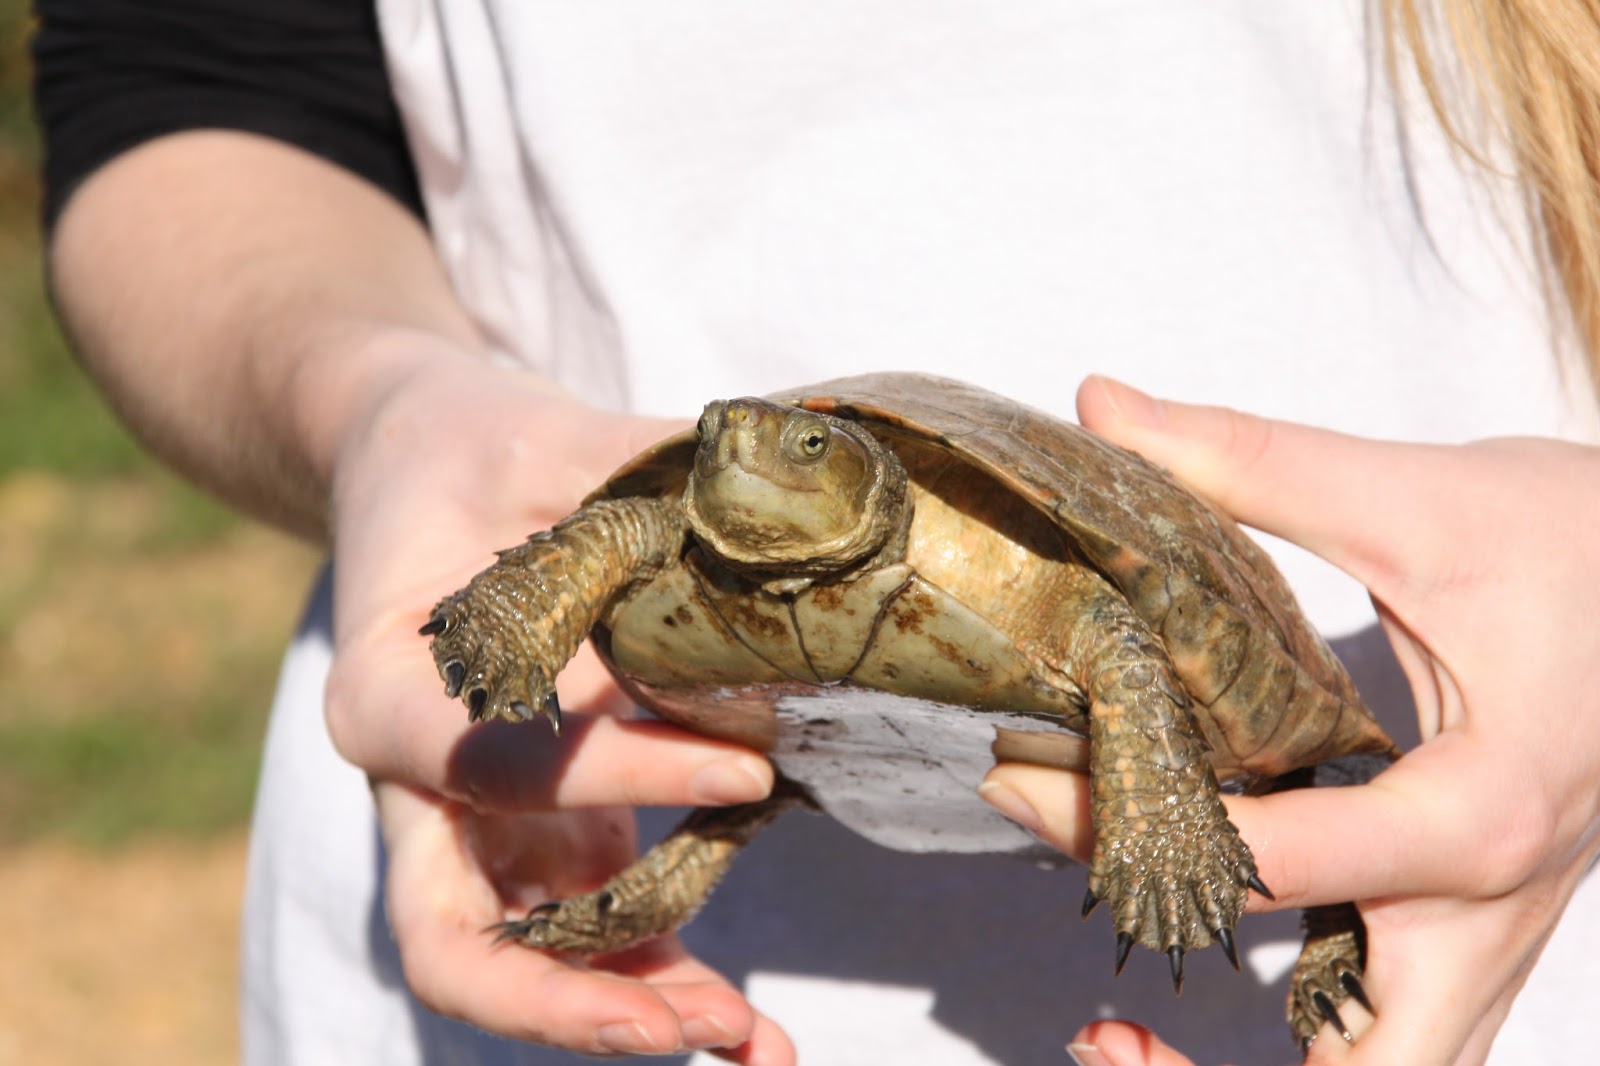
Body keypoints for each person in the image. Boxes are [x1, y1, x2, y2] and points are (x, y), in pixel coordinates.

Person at [30, 2, 1600, 1063]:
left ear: (858, 474)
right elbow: (192, 78)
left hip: (1519, 924)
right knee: (734, 781)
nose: (743, 461)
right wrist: (388, 422)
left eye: (794, 451)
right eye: (734, 447)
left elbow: (1118, 624)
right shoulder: (682, 514)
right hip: (537, 933)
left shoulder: (994, 541)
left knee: (1227, 726)